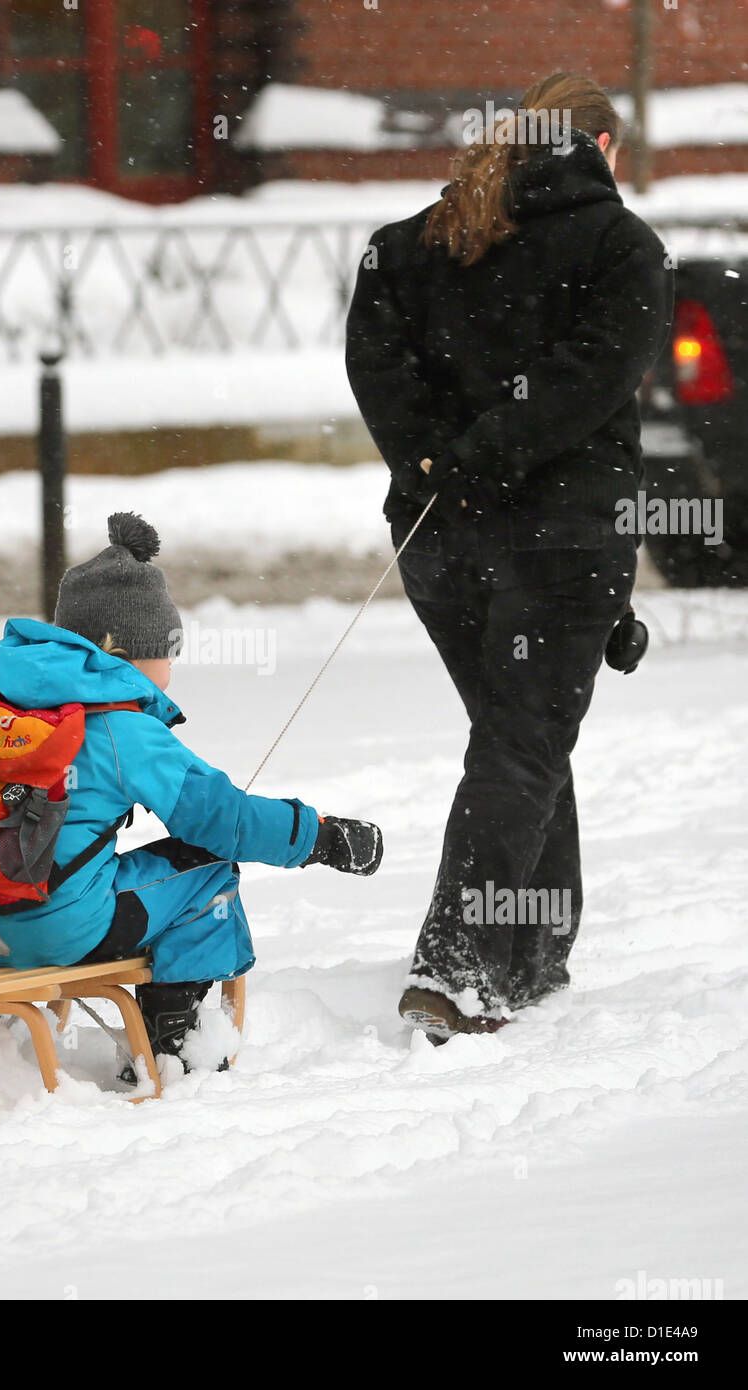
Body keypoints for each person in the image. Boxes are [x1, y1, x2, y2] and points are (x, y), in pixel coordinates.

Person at [345, 72, 673, 1041]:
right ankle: (456, 969)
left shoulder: (417, 242)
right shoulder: (622, 250)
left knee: (517, 736)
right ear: (599, 149)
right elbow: (585, 387)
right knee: (522, 742)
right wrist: (484, 454)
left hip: (440, 546)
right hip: (561, 545)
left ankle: (533, 946)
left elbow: (373, 350)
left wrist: (431, 459)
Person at [0, 511, 383, 1074]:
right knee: (207, 869)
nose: (173, 665)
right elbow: (220, 819)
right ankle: (175, 1043)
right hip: (56, 932)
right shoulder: (120, 726)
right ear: (118, 650)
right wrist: (320, 837)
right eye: (168, 649)